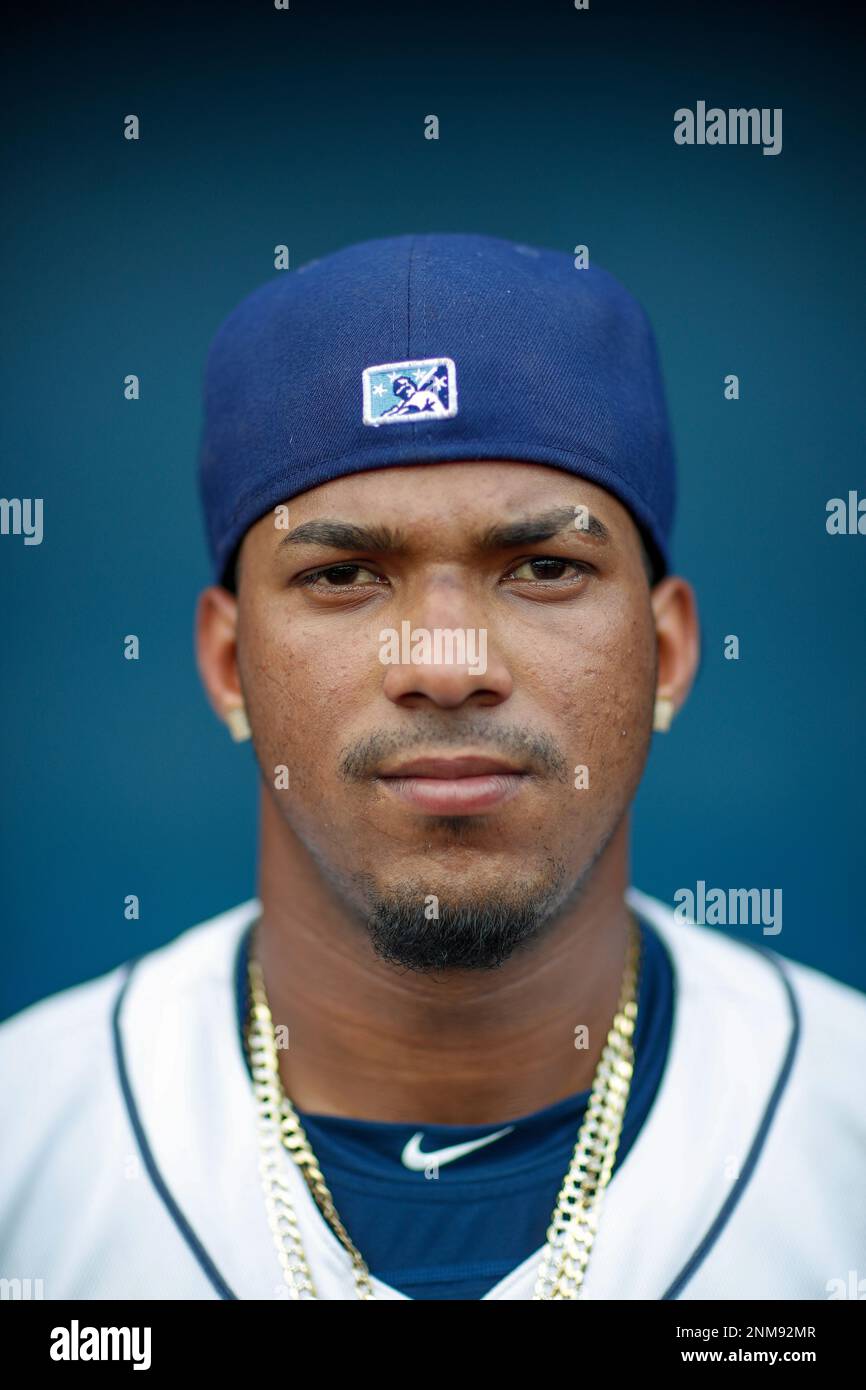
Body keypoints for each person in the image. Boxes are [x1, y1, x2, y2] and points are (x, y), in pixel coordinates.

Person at [1, 233, 863, 1302]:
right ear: (229, 665)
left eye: (544, 568)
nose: (446, 666)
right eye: (345, 573)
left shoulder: (843, 1128)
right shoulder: (27, 1140)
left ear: (668, 654)